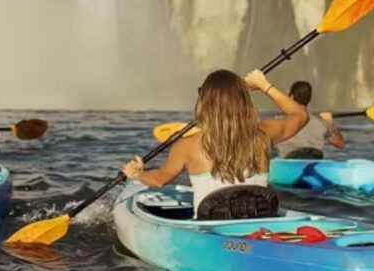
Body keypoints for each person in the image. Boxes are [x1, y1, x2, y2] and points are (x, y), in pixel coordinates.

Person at [121, 69, 308, 215]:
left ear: (204, 103)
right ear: (243, 101)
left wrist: (137, 173)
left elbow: (158, 180)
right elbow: (300, 115)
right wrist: (263, 84)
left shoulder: (186, 146)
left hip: (210, 229)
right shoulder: (263, 134)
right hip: (259, 222)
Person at [275, 81, 345, 159]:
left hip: (288, 164)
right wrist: (330, 124)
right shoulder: (321, 124)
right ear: (309, 99)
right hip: (313, 161)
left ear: (291, 97)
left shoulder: (278, 122)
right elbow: (340, 144)